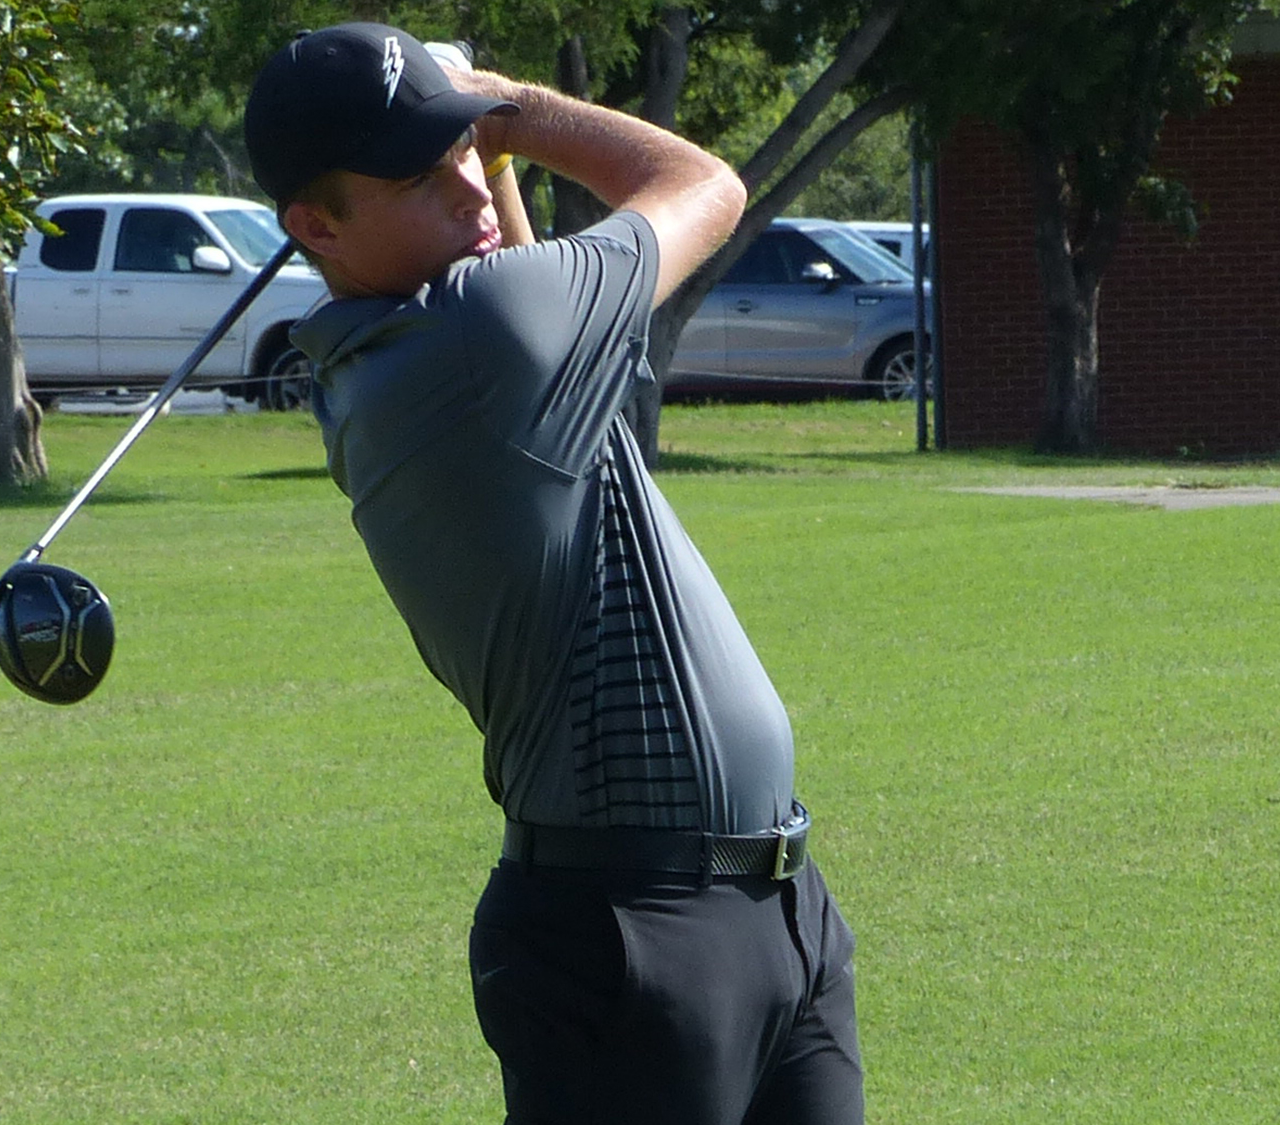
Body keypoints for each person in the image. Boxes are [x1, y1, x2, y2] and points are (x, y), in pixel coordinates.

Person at [244, 23, 862, 1125]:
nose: (472, 190)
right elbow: (700, 184)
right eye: (422, 175)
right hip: (628, 931)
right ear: (313, 224)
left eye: (466, 154)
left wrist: (473, 140)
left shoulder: (444, 338)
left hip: (767, 907)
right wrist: (510, 103)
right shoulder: (476, 340)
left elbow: (511, 252)